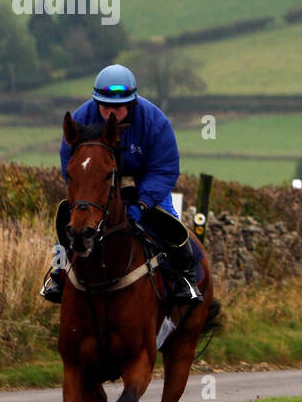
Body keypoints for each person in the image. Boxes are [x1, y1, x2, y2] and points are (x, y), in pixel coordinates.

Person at [40, 64, 202, 305]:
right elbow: (71, 165)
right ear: (96, 102)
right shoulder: (81, 118)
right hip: (99, 182)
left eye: (118, 107)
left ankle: (185, 278)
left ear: (132, 103)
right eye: (105, 106)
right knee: (70, 221)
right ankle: (56, 275)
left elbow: (164, 169)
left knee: (168, 220)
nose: (111, 113)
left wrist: (144, 204)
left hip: (147, 178)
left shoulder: (155, 122)